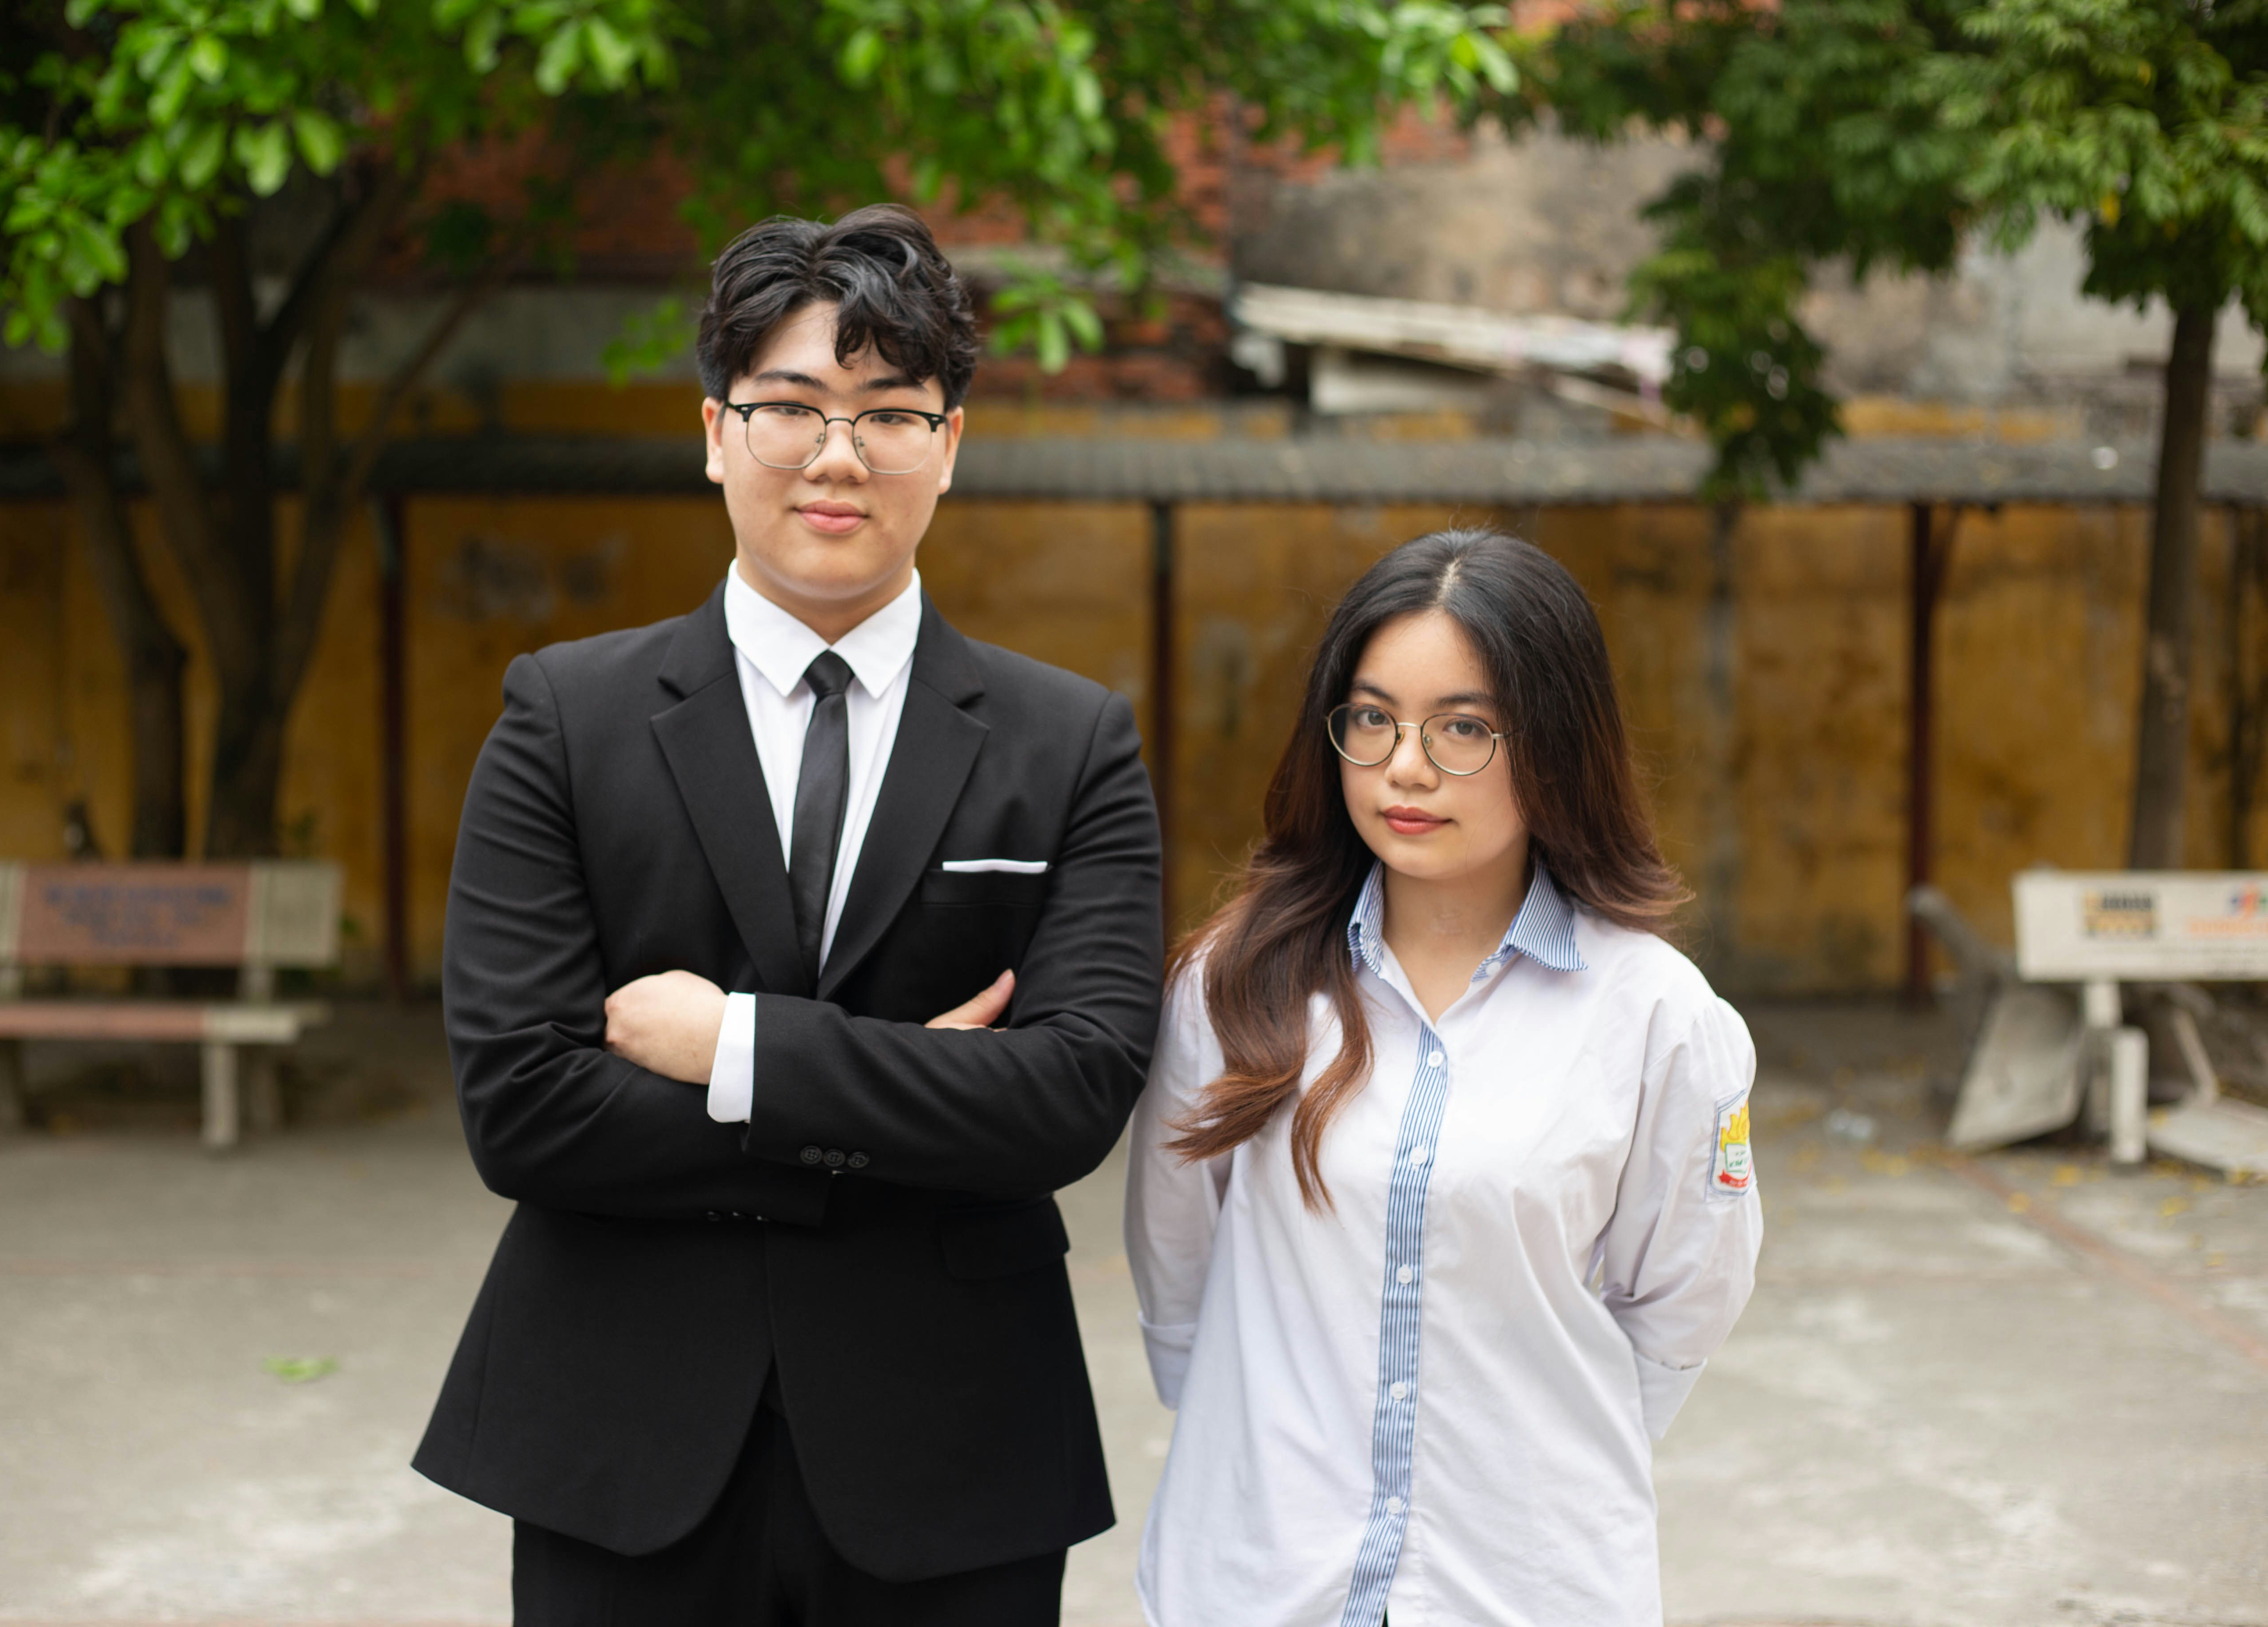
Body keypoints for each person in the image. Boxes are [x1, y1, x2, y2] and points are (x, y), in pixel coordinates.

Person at [413, 203, 1165, 1626]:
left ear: (948, 445)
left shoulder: (1069, 744)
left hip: (953, 1443)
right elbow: (521, 1104)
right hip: (621, 1436)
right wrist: (909, 1100)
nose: (838, 455)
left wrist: (737, 1051)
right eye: (792, 408)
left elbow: (1069, 1098)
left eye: (890, 412)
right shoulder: (564, 719)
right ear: (715, 432)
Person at [1124, 531, 1762, 1627]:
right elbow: (1176, 1274)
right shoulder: (1233, 987)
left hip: (1523, 1586)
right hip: (1260, 1579)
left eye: (1463, 727)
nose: (1406, 767)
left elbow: (1681, 1305)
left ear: (1556, 743)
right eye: (1372, 718)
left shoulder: (1657, 1016)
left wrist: (1538, 1458)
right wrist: (1267, 1456)